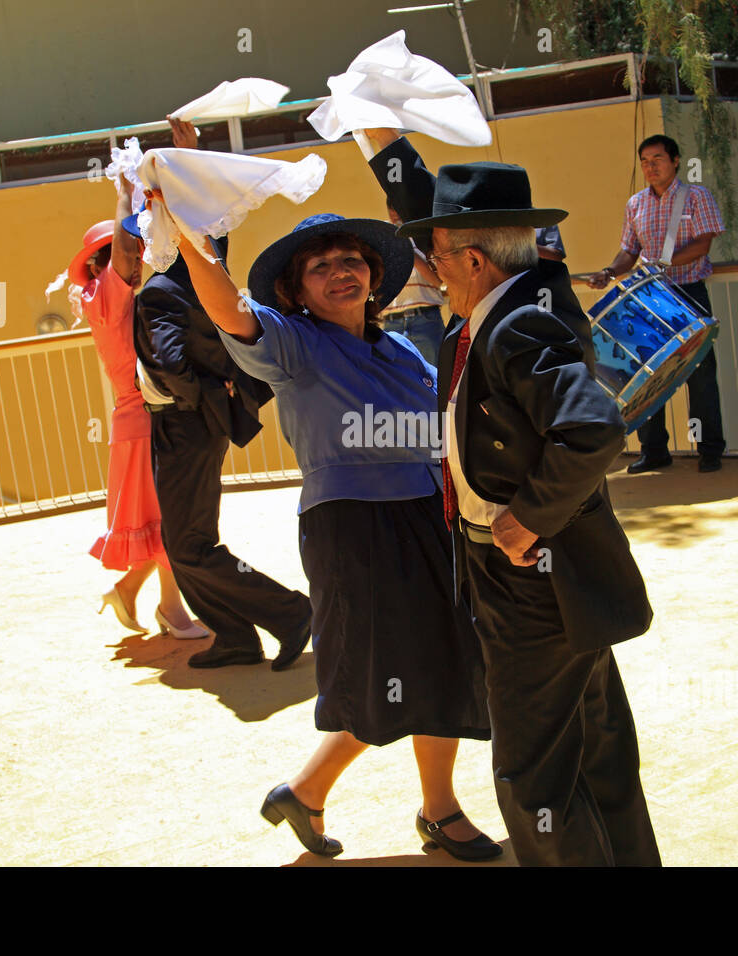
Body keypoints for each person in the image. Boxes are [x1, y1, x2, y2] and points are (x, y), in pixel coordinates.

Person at [166, 135, 496, 859]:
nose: (341, 272)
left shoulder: (402, 347)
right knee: (381, 672)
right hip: (352, 527)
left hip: (427, 516)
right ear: (297, 290)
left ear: (374, 276)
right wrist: (189, 232)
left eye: (352, 261)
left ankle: (432, 809)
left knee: (443, 658)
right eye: (322, 267)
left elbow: (439, 436)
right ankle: (308, 791)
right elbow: (225, 307)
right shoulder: (292, 341)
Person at [362, 127, 660, 867]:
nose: (426, 267)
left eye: (436, 253)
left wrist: (526, 519)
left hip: (532, 582)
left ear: (473, 259)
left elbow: (592, 430)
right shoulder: (511, 305)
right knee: (597, 759)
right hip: (556, 581)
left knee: (533, 783)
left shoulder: (518, 322)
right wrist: (386, 147)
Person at [134, 116, 313, 668]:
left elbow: (169, 364)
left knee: (189, 547)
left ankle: (288, 612)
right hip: (198, 419)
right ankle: (235, 637)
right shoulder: (201, 275)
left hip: (182, 424)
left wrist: (195, 399)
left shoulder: (162, 291)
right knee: (188, 544)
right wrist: (187, 166)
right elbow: (210, 234)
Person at [67, 180, 208, 639]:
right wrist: (126, 196)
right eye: (114, 254)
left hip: (144, 419)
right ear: (99, 265)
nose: (130, 258)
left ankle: (129, 593)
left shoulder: (114, 297)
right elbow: (127, 257)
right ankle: (172, 610)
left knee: (162, 520)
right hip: (141, 421)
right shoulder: (105, 297)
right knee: (169, 519)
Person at [588, 134, 727, 473]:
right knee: (643, 375)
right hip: (650, 296)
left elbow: (704, 244)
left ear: (675, 160)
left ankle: (710, 450)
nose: (651, 167)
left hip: (688, 291)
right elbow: (629, 251)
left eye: (657, 159)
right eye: (645, 162)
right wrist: (609, 271)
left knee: (700, 373)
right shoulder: (636, 204)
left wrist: (668, 262)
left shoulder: (696, 196)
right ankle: (653, 450)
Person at [377, 202, 445, 365]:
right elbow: (374, 288)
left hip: (426, 319)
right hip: (391, 322)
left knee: (436, 383)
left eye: (398, 204)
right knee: (396, 384)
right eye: (391, 206)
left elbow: (440, 283)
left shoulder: (425, 235)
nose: (395, 212)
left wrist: (409, 253)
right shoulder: (381, 238)